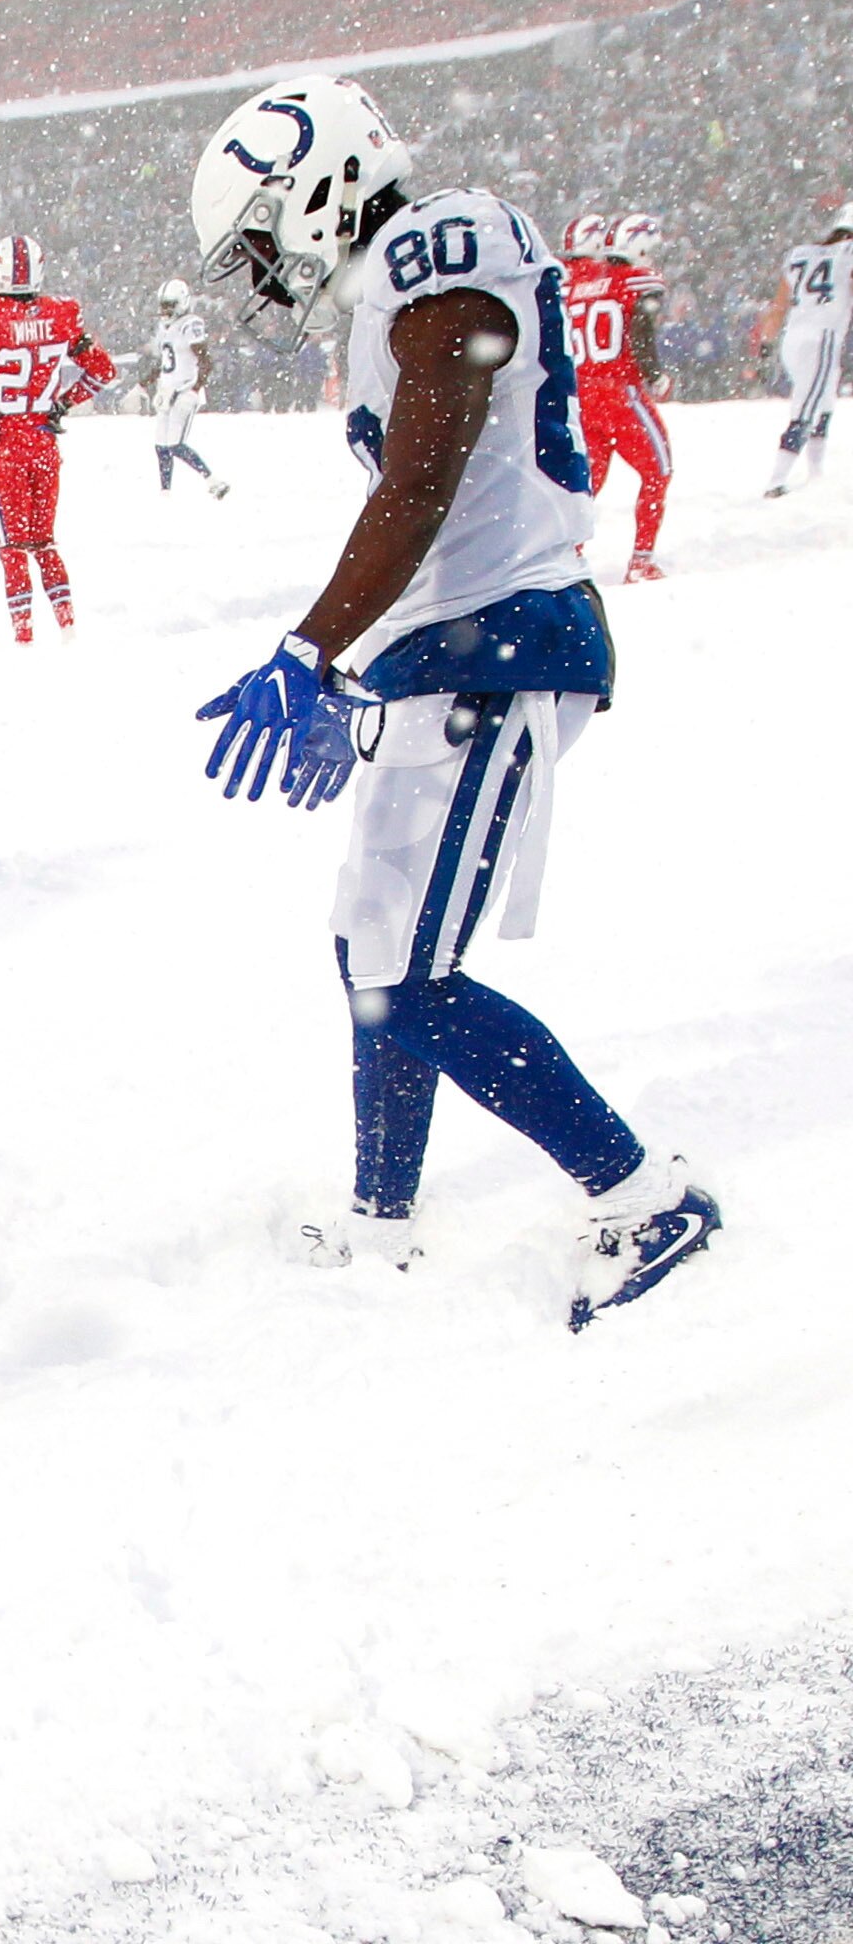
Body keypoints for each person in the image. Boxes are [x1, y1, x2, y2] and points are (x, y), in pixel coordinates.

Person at [186, 73, 720, 1331]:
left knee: (412, 971)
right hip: (451, 648)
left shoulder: (440, 244)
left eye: (262, 242)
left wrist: (315, 649)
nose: (264, 276)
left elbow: (425, 478)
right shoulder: (387, 290)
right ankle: (385, 1218)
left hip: (510, 641)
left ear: (314, 188)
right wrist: (364, 665)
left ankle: (646, 1197)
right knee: (372, 949)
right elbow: (436, 498)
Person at [0, 235, 115, 644]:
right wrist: (62, 405)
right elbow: (102, 372)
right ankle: (68, 630)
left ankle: (24, 638)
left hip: (4, 442)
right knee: (45, 542)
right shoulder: (63, 313)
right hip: (43, 439)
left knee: (12, 548)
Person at [563, 214, 674, 579]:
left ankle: (567, 555)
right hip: (619, 391)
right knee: (658, 470)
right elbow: (640, 330)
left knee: (588, 482)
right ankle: (642, 559)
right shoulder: (636, 281)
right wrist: (654, 375)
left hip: (582, 393)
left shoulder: (577, 282)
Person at [759, 203, 848, 499]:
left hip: (793, 336)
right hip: (822, 337)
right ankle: (776, 480)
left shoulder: (801, 254)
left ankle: (815, 473)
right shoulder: (847, 255)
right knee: (806, 409)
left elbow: (779, 304)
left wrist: (765, 342)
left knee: (824, 400)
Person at [146, 278, 226, 498]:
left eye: (170, 304)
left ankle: (214, 481)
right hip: (167, 390)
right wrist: (143, 383)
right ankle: (165, 492)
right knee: (161, 445)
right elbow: (164, 362)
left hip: (185, 389)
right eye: (163, 304)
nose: (165, 310)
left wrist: (195, 388)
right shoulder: (165, 327)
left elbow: (206, 360)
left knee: (175, 445)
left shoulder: (190, 324)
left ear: (182, 302)